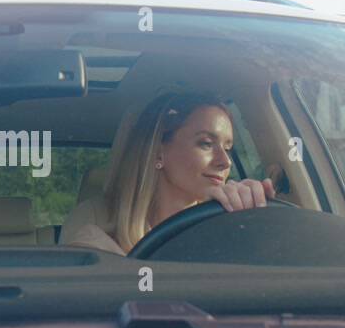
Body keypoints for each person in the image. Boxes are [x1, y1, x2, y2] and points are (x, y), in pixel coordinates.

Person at [60, 93, 275, 255]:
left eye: (228, 148)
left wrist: (251, 224)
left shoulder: (229, 232)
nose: (225, 161)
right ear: (158, 152)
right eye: (206, 144)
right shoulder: (97, 247)